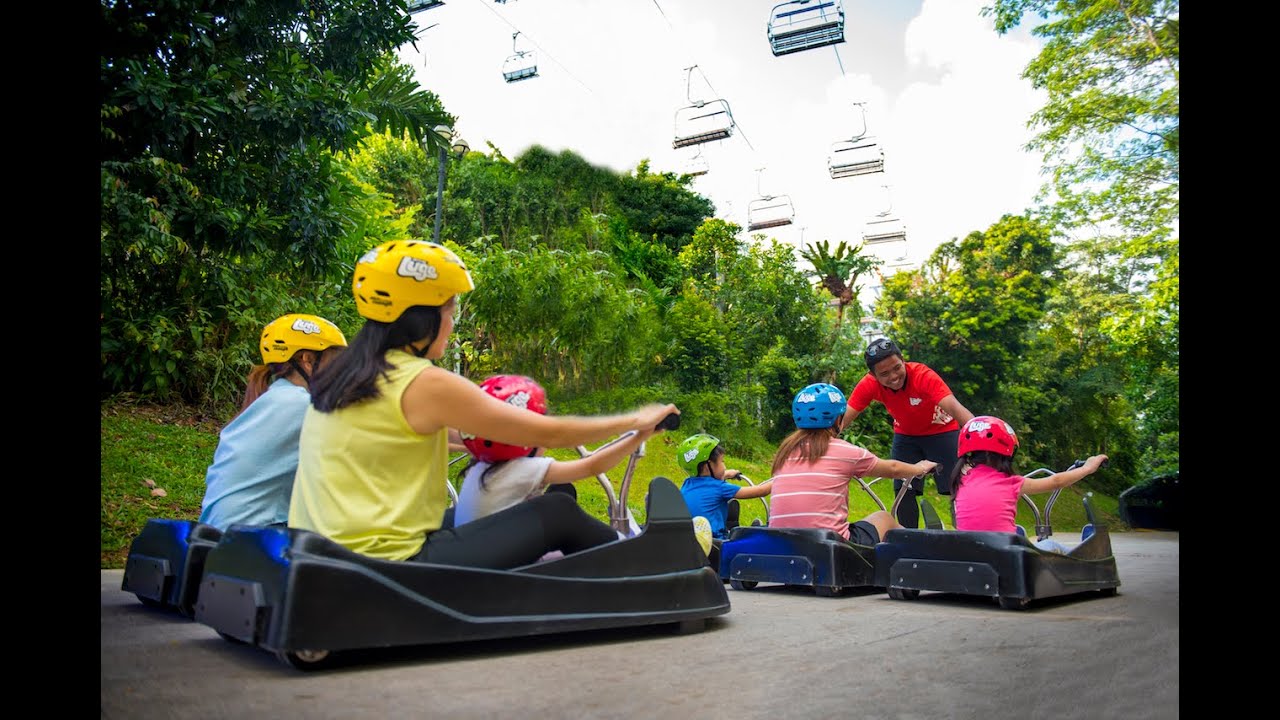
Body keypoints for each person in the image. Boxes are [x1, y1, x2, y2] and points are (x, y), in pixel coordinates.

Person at [288, 239, 678, 569]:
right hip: (392, 564)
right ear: (421, 315)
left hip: (325, 553)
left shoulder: (346, 378)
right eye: (450, 309)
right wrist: (638, 419)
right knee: (554, 512)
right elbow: (548, 432)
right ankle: (649, 571)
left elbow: (454, 435)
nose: (452, 322)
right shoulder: (422, 381)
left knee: (464, 518)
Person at [198, 313, 348, 531]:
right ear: (307, 360)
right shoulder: (303, 406)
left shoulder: (273, 398)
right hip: (251, 539)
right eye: (336, 360)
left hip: (222, 534)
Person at [453, 374, 655, 530]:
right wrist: (639, 437)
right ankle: (619, 544)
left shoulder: (481, 466)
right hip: (509, 567)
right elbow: (592, 466)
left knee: (563, 489)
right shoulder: (521, 470)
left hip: (487, 547)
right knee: (561, 506)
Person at [769, 382, 937, 546]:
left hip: (782, 543)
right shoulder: (845, 451)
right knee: (884, 518)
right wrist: (920, 467)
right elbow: (893, 469)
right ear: (838, 419)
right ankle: (918, 551)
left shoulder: (786, 452)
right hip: (829, 546)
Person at [839, 337, 975, 529]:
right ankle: (908, 539)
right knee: (904, 491)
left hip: (942, 431)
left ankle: (967, 535)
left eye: (897, 367)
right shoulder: (868, 384)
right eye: (884, 374)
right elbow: (843, 419)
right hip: (906, 436)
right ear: (873, 375)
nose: (894, 376)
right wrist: (819, 442)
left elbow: (955, 408)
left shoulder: (923, 375)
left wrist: (982, 440)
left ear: (903, 360)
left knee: (958, 489)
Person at [951, 415, 1108, 553]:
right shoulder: (1010, 483)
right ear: (1006, 453)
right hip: (1006, 556)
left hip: (971, 554)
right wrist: (1088, 467)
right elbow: (1056, 481)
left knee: (1018, 531)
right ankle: (1087, 558)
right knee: (1049, 544)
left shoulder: (961, 480)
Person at [676, 433, 772, 541]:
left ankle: (747, 528)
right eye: (722, 461)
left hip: (694, 542)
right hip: (717, 544)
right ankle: (754, 530)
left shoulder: (687, 484)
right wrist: (782, 478)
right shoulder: (720, 488)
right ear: (708, 465)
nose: (724, 466)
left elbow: (707, 483)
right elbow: (761, 491)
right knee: (758, 536)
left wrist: (726, 474)